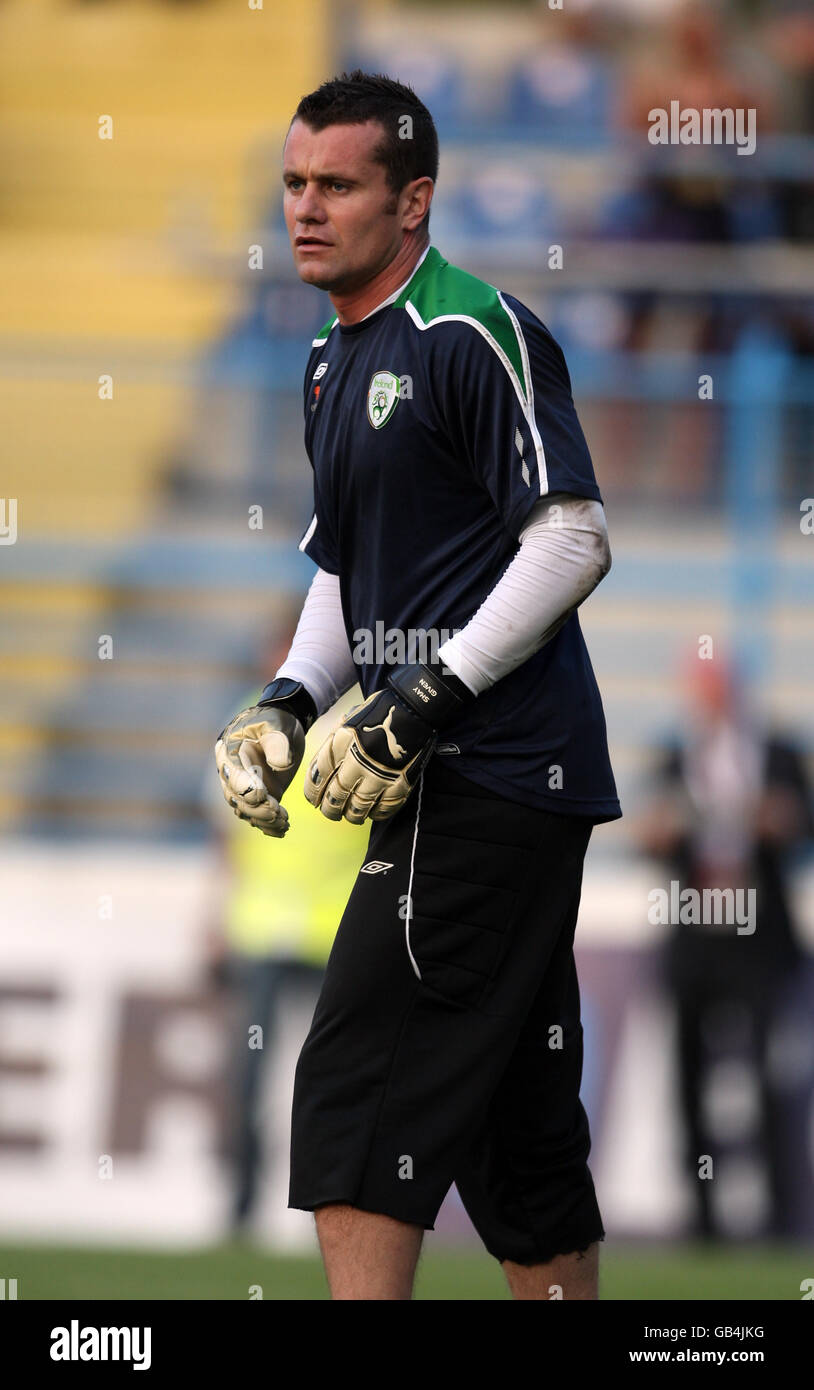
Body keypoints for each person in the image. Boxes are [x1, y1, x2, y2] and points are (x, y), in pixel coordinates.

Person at [214, 71, 621, 1300]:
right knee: (517, 1134)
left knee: (352, 1092)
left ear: (415, 201)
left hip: (486, 772)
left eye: (337, 184)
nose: (306, 207)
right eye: (294, 182)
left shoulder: (472, 329)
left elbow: (571, 536)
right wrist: (289, 697)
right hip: (480, 775)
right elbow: (345, 569)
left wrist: (421, 701)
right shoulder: (332, 364)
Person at [637, 653, 813, 1240]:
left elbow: (799, 824)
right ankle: (703, 1221)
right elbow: (647, 835)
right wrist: (665, 828)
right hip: (696, 939)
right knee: (689, 1080)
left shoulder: (777, 752)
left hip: (758, 940)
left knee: (770, 1077)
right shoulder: (677, 758)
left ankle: (779, 1218)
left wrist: (774, 819)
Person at [204, 619, 367, 1240]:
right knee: (249, 1081)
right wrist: (215, 918)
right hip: (263, 929)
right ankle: (243, 1210)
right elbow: (224, 840)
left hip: (336, 930)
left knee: (335, 1082)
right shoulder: (245, 718)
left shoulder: (352, 722)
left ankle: (334, 1212)